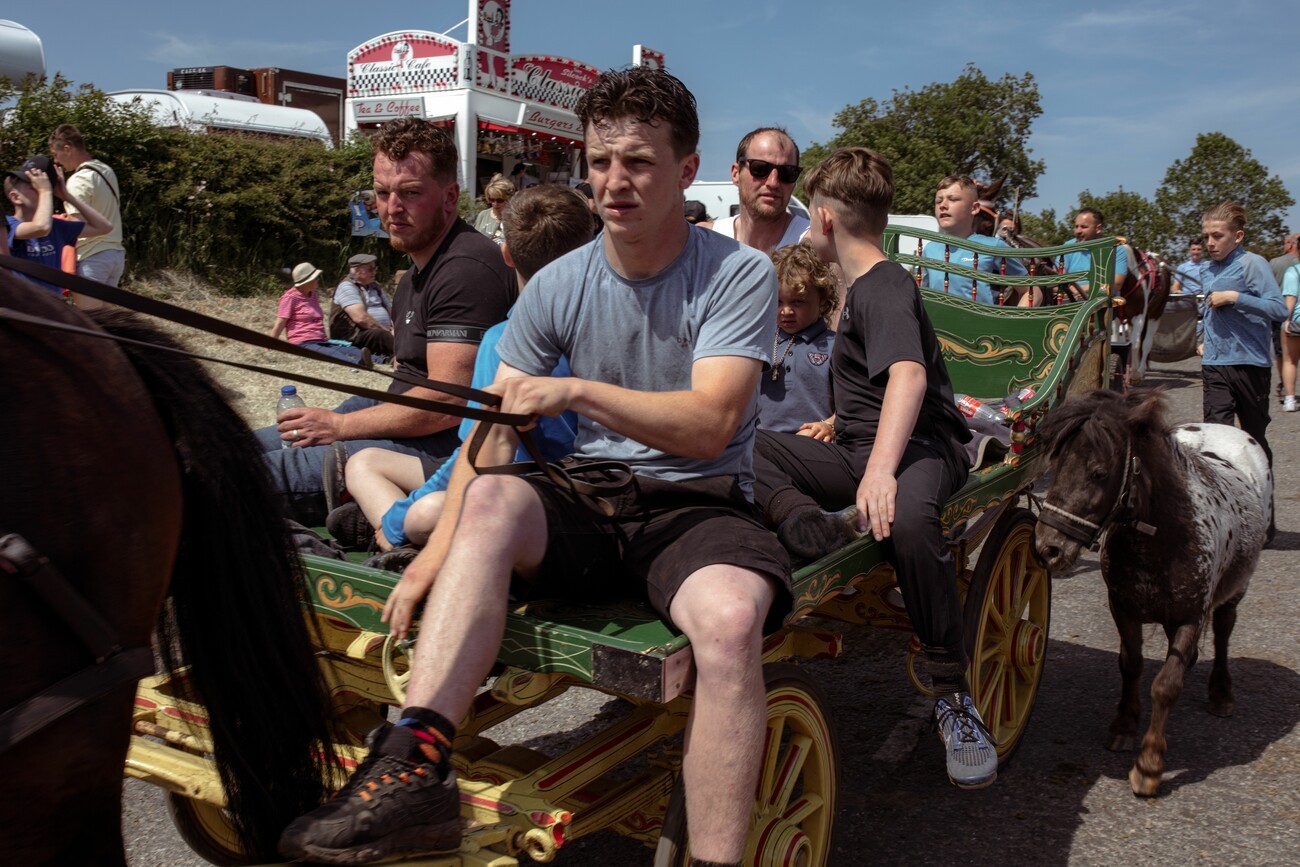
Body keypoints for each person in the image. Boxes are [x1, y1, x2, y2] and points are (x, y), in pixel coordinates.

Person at [279, 67, 791, 867]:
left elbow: (711, 423)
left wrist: (574, 390)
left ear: (687, 170)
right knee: (490, 501)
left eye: (639, 162)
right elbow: (484, 444)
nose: (614, 181)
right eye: (600, 161)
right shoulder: (556, 285)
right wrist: (435, 554)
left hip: (697, 502)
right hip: (589, 496)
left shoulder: (738, 272)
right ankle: (414, 765)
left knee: (729, 622)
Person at [749, 147, 996, 790]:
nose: (808, 225)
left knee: (907, 521)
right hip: (860, 447)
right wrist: (837, 426)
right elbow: (864, 388)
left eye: (810, 214)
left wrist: (881, 472)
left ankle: (953, 696)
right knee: (752, 444)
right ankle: (808, 525)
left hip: (922, 448)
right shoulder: (857, 289)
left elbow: (908, 377)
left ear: (826, 219)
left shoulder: (884, 284)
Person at [253, 117, 516, 527]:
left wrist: (341, 425)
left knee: (246, 475)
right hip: (403, 417)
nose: (392, 209)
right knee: (237, 447)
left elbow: (450, 404)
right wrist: (342, 422)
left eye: (410, 193)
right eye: (381, 192)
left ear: (450, 197)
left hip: (441, 450)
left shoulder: (466, 268)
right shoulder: (414, 276)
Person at [331, 185, 594, 562]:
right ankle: (397, 533)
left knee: (424, 511)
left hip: (531, 491)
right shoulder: (607, 327)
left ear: (506, 254)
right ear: (591, 250)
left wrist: (395, 522)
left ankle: (392, 539)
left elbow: (473, 458)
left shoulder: (503, 341)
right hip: (537, 479)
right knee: (365, 462)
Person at [1198, 201, 1287, 541]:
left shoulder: (1253, 264)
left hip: (1250, 364)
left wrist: (1236, 297)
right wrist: (1200, 338)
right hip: (1215, 365)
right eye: (1206, 236)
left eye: (1217, 236)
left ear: (1237, 236)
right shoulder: (1207, 269)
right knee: (1215, 442)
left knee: (1253, 441)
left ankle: (1264, 517)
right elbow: (1204, 309)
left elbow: (1278, 309)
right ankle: (1224, 520)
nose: (1210, 243)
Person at [759, 242, 837, 436]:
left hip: (809, 442)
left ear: (823, 301)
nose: (786, 311)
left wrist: (829, 425)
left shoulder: (835, 346)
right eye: (778, 301)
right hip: (760, 440)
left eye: (798, 302)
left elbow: (852, 407)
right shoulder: (760, 340)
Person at [4, 155, 112, 296]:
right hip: (24, 305)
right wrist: (45, 191)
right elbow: (41, 228)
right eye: (35, 186)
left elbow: (104, 227)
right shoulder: (8, 225)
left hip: (53, 305)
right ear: (15, 197)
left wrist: (68, 197)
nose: (44, 190)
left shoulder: (56, 227)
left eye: (46, 186)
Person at [920, 175, 1029, 306]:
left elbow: (1031, 291)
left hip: (981, 320)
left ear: (974, 208)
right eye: (938, 201)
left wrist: (1013, 318)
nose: (943, 205)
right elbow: (921, 296)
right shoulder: (929, 249)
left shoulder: (994, 246)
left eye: (953, 199)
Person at [48, 124, 125, 308]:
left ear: (67, 148)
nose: (56, 161)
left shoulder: (77, 181)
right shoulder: (105, 170)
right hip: (115, 254)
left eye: (56, 154)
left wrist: (59, 226)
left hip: (92, 257)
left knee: (90, 321)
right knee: (109, 321)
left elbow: (78, 227)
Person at [710, 127, 809, 254]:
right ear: (736, 173)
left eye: (787, 172)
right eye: (760, 169)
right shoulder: (706, 242)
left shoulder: (816, 248)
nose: (773, 183)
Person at [269, 262, 374, 365]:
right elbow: (280, 323)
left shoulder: (313, 295)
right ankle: (357, 364)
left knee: (351, 350)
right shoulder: (290, 298)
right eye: (315, 278)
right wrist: (269, 345)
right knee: (333, 354)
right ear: (306, 281)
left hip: (322, 340)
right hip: (303, 342)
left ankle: (379, 359)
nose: (318, 279)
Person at [331, 253, 395, 356]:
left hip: (381, 332)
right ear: (357, 271)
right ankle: (408, 356)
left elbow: (391, 310)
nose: (374, 272)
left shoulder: (375, 286)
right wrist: (387, 332)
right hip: (355, 335)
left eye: (375, 268)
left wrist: (397, 327)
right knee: (380, 335)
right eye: (370, 269)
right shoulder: (347, 287)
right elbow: (361, 318)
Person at [1060, 208, 1127, 301]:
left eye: (1083, 227)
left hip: (1102, 304)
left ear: (1098, 229)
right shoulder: (1068, 247)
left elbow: (1116, 284)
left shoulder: (1116, 249)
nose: (1078, 231)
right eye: (1076, 226)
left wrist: (1080, 289)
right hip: (1070, 302)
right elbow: (1056, 281)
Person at [1280, 260, 1300, 412]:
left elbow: (1291, 298)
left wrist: (1286, 319)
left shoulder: (1293, 271)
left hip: (1296, 322)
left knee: (1290, 361)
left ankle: (1290, 400)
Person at [472, 175, 514, 245]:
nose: (495, 203)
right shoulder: (483, 215)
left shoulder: (514, 218)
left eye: (499, 200)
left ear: (508, 199)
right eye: (492, 199)